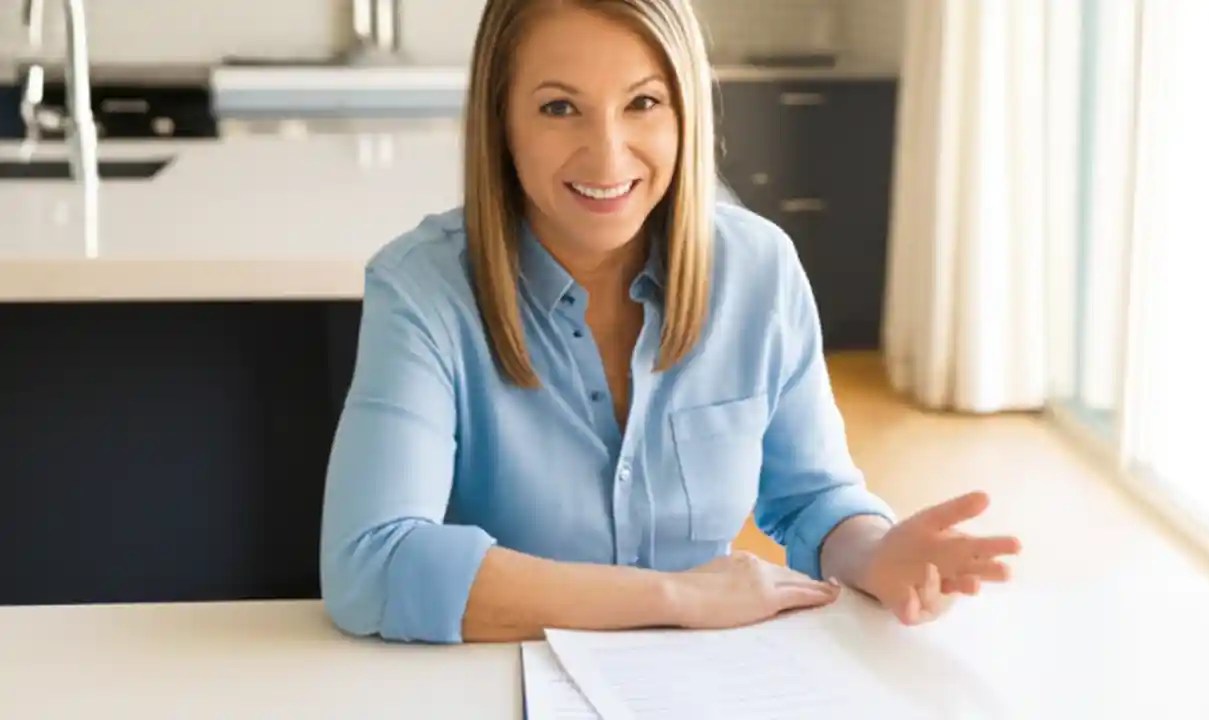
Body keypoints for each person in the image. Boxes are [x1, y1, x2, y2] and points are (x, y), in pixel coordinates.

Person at [320, 0, 1021, 645]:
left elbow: (815, 498)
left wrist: (876, 550)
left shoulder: (759, 270)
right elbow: (371, 565)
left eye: (643, 103)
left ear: (685, 112)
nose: (608, 153)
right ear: (501, 121)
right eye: (560, 107)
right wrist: (673, 596)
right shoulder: (424, 290)